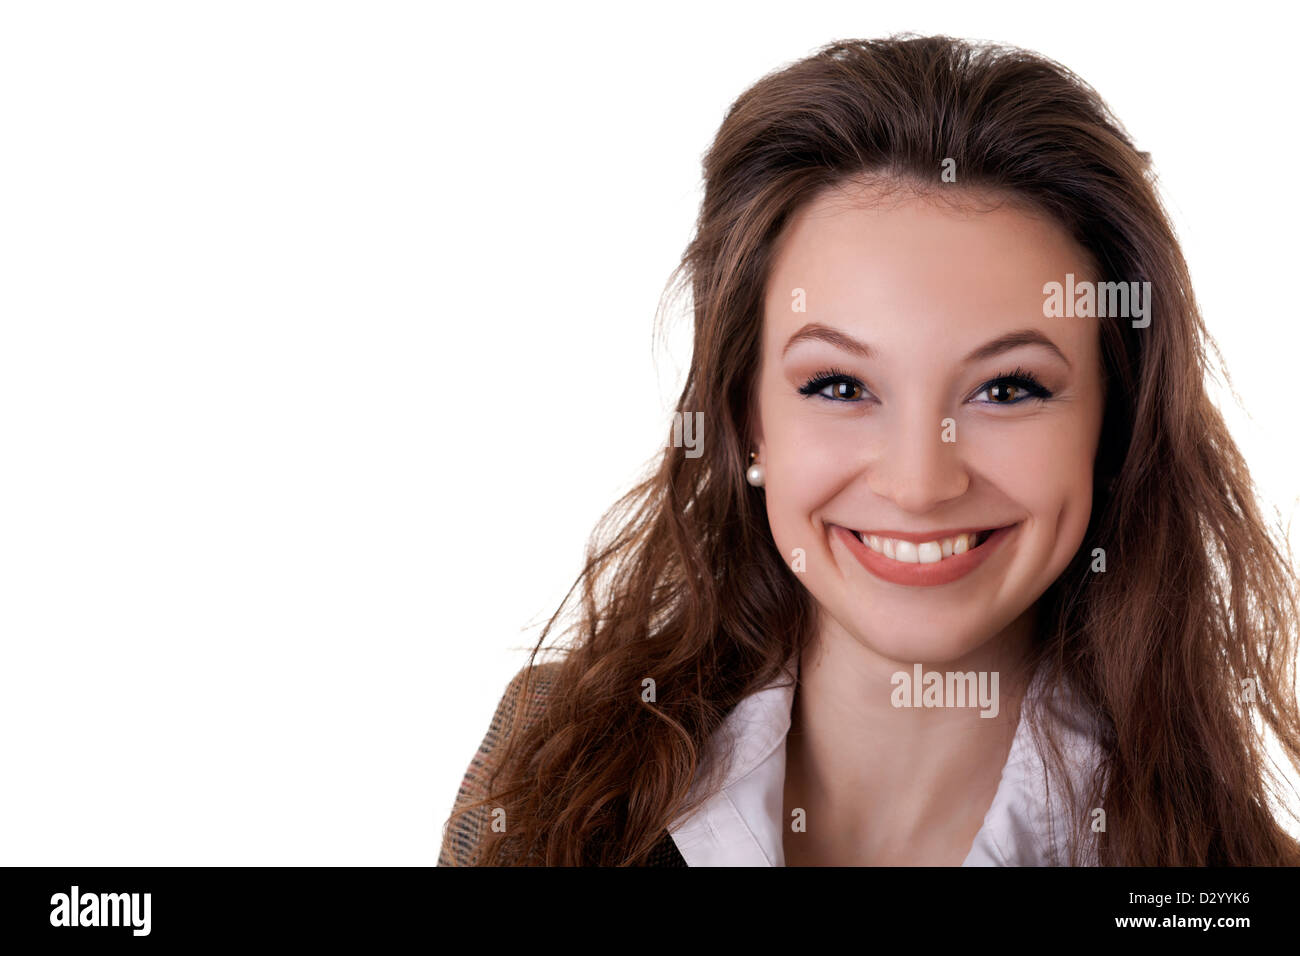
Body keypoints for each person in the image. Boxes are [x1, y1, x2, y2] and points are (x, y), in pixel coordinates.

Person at [438, 34, 1300, 866]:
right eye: (841, 387)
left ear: (1114, 428)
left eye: (1007, 389)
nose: (920, 484)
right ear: (747, 418)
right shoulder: (551, 771)